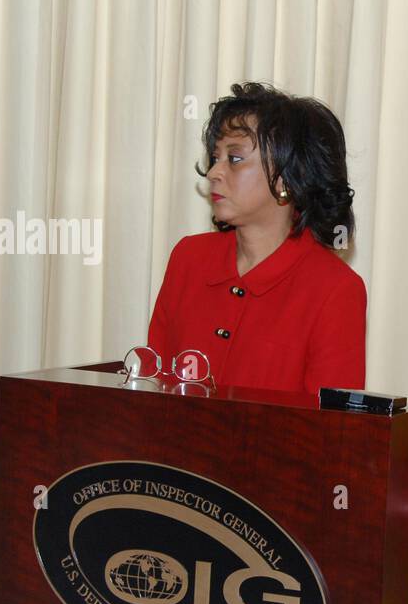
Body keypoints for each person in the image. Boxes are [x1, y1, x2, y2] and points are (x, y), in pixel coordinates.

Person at [147, 82, 367, 394]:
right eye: (215, 156)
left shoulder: (335, 289)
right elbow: (153, 386)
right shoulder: (188, 257)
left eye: (234, 158)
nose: (214, 172)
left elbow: (334, 433)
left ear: (287, 180)